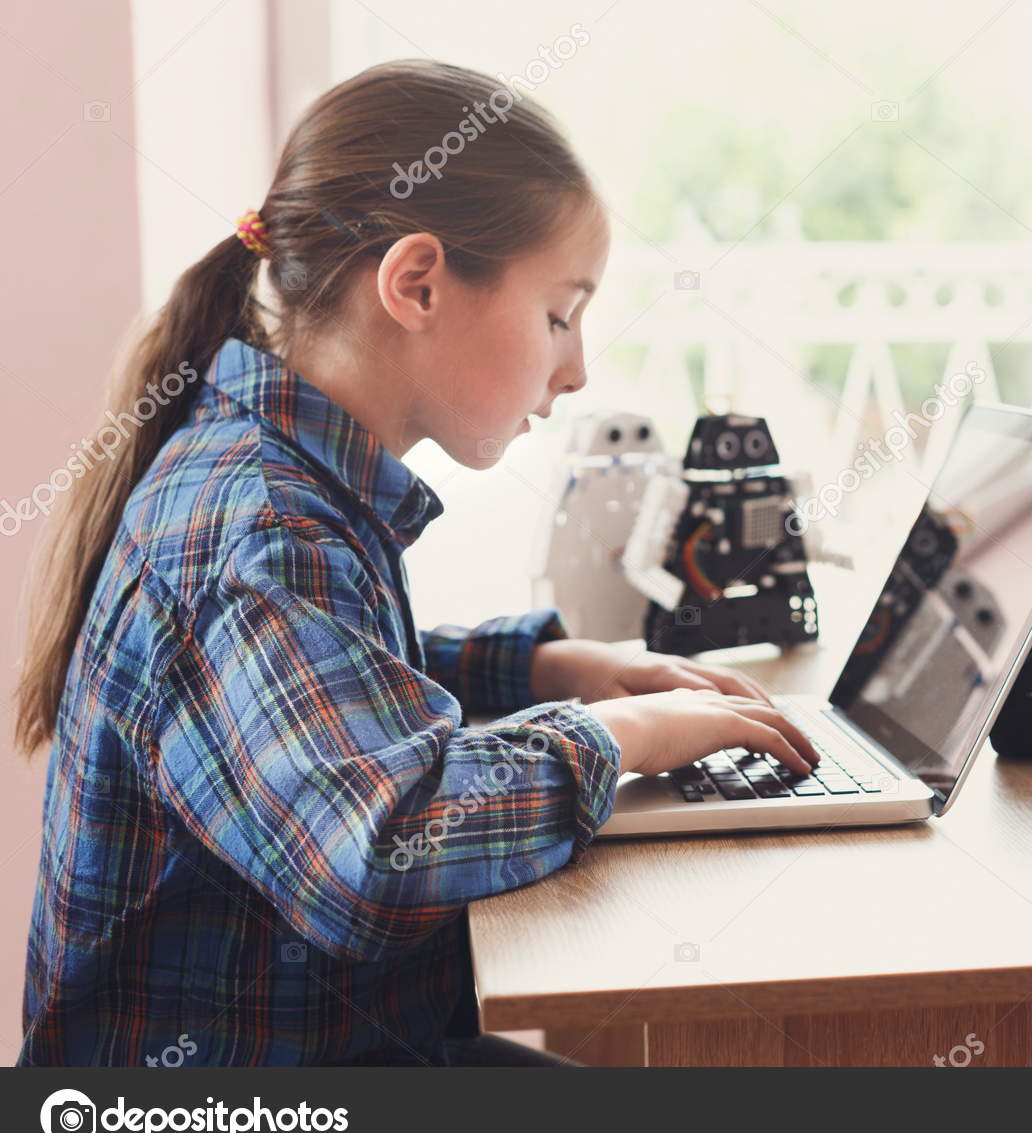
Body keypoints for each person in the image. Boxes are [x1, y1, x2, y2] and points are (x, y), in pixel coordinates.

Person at [13, 60, 817, 1067]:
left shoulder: (280, 481)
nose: (575, 371)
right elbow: (381, 854)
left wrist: (538, 670)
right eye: (561, 314)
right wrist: (617, 736)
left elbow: (327, 687)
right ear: (417, 283)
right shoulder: (262, 528)